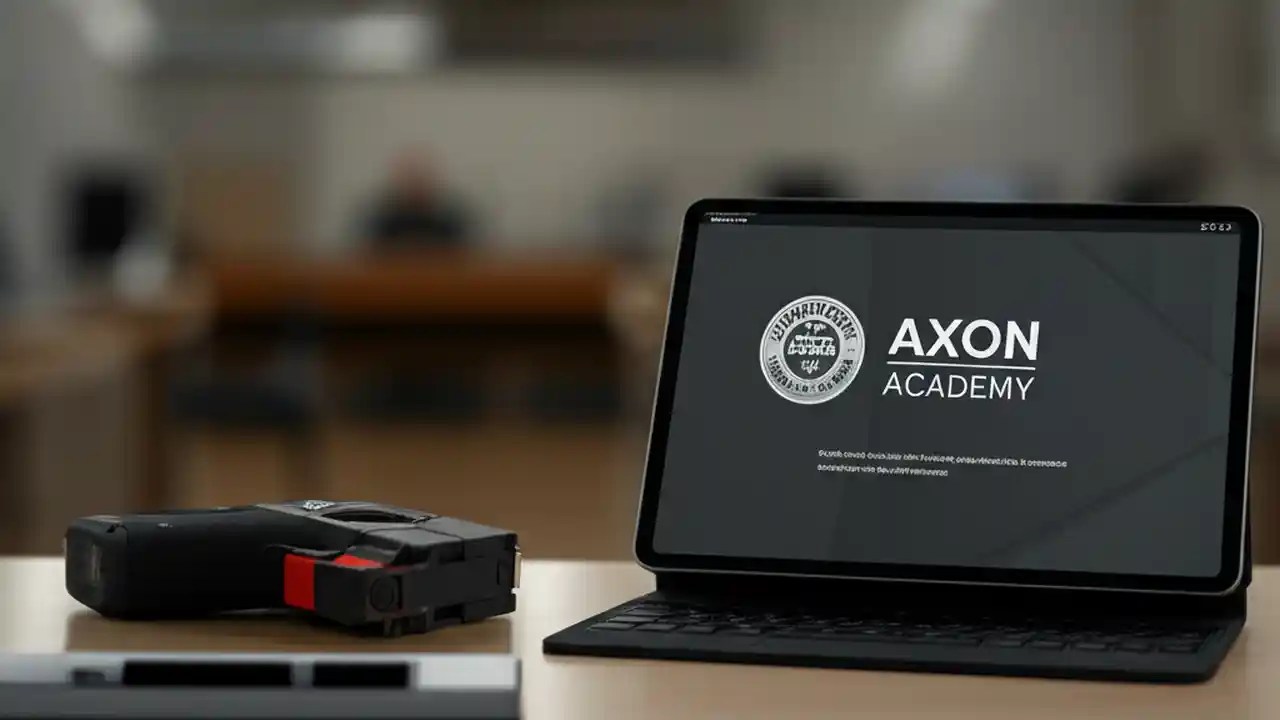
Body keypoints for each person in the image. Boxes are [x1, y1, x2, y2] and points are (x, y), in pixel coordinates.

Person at [363, 152, 472, 249]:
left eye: (421, 176)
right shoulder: (384, 222)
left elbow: (462, 256)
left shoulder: (449, 221)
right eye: (410, 176)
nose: (416, 182)